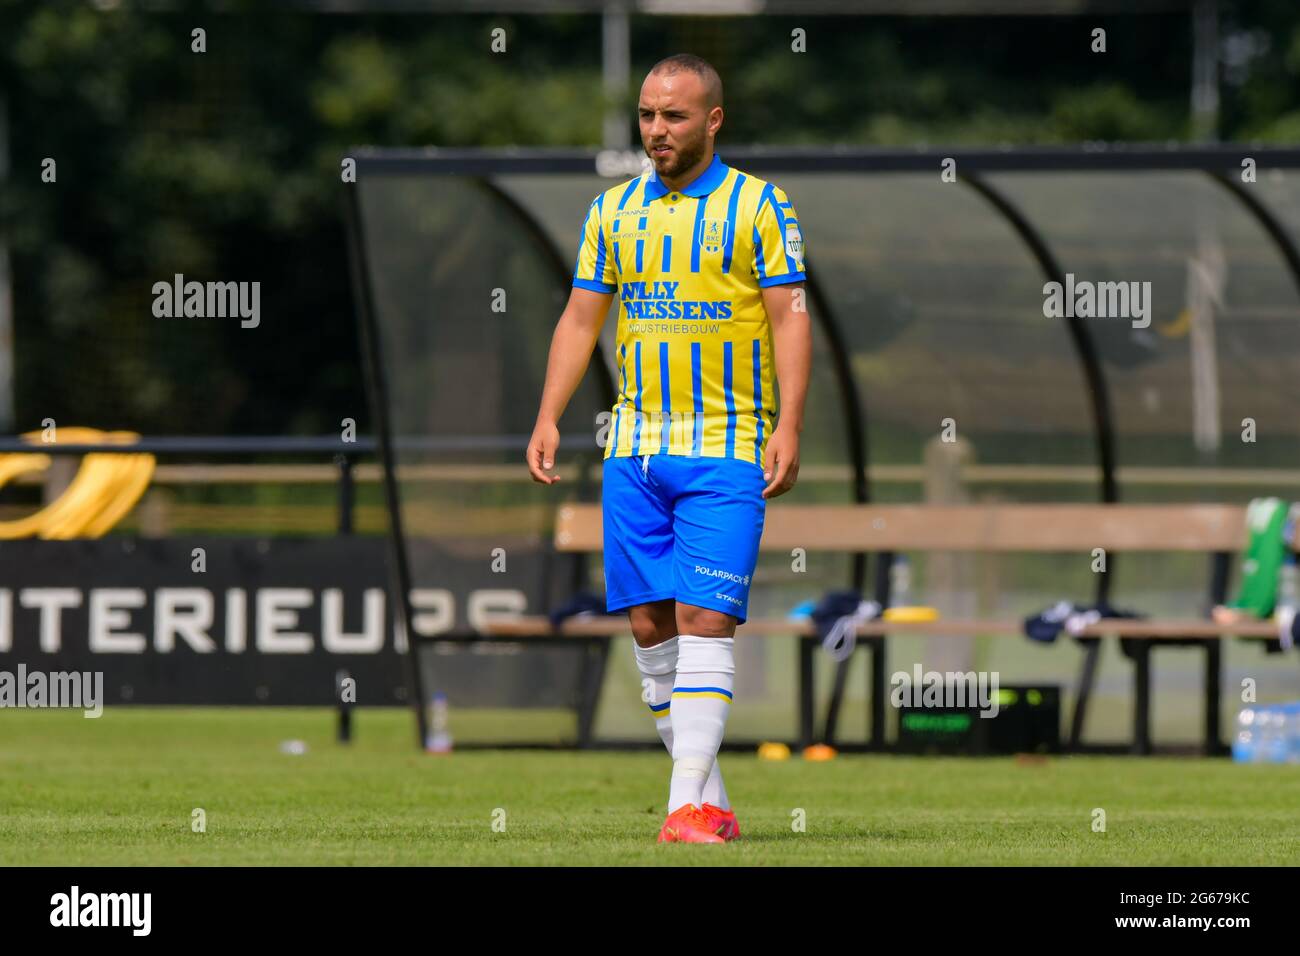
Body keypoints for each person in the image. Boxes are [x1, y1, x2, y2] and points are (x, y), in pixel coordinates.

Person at [526, 53, 811, 844]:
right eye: (648, 115)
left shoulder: (759, 207)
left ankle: (683, 806)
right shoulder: (612, 211)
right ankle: (708, 803)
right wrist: (549, 414)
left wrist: (789, 424)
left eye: (673, 116)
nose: (656, 129)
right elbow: (582, 319)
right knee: (652, 626)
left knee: (704, 616)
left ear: (712, 120)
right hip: (635, 449)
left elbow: (791, 316)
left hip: (726, 450)